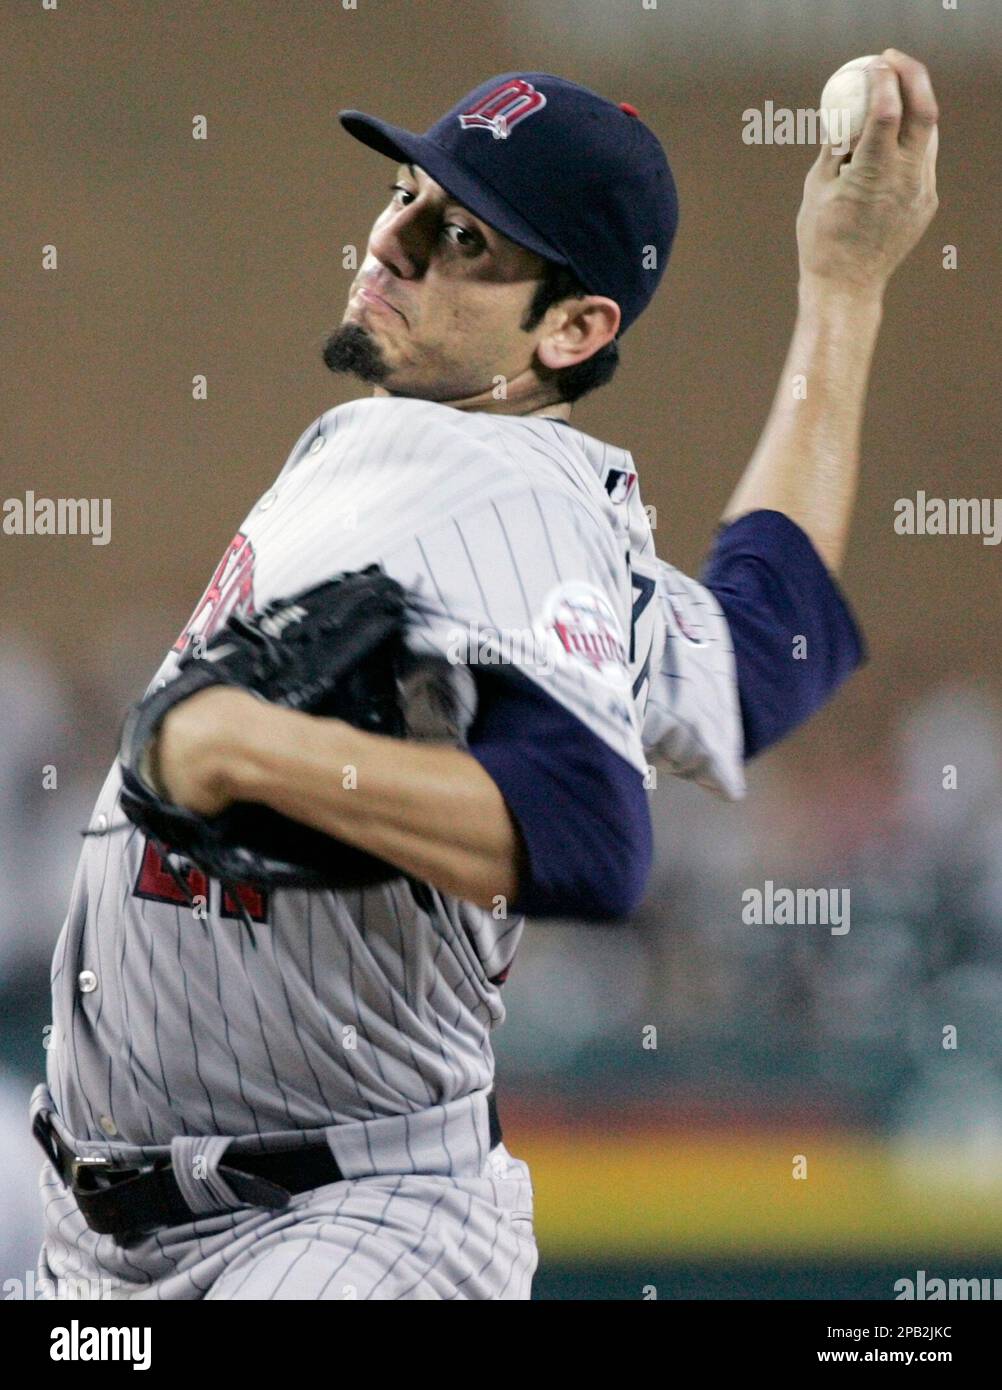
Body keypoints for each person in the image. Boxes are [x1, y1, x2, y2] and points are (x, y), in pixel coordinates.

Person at [32, 59, 938, 1300]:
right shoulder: (443, 468)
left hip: (345, 1225)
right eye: (405, 191)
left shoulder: (492, 478)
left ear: (573, 329)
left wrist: (238, 742)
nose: (391, 239)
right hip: (135, 1232)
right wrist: (843, 287)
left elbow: (590, 831)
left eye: (462, 236)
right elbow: (753, 653)